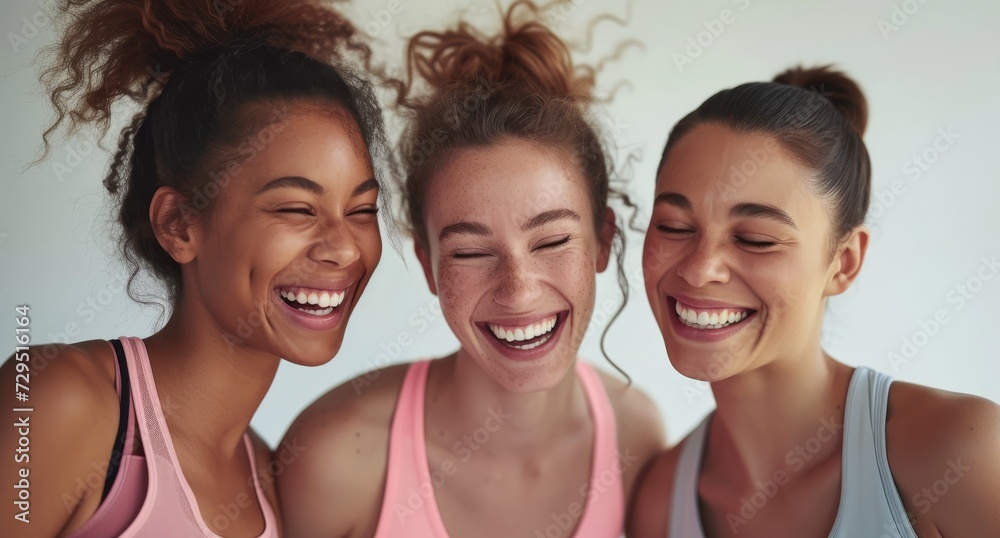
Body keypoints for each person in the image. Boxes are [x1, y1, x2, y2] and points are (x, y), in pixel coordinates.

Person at [0, 0, 390, 536]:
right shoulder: (62, 400)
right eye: (296, 209)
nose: (346, 249)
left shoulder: (274, 487)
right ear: (180, 224)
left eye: (362, 211)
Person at [278, 2, 665, 536]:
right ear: (429, 266)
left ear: (603, 240)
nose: (519, 290)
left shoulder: (638, 437)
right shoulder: (336, 455)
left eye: (551, 241)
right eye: (470, 252)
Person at [629, 66, 1000, 537]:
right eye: (674, 227)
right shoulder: (660, 502)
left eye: (756, 239)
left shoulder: (956, 451)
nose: (700, 268)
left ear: (844, 262)